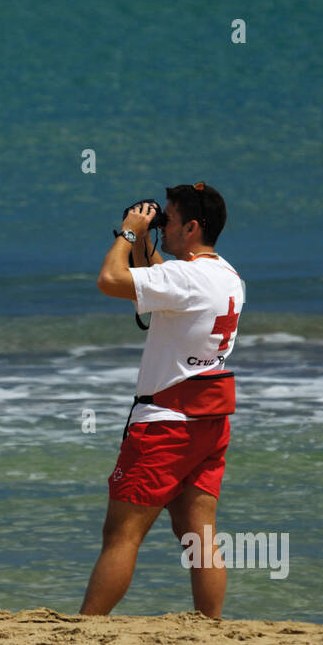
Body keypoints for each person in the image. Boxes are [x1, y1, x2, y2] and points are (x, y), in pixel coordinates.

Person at [80, 182, 244, 618]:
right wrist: (147, 246)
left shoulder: (184, 277)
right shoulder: (228, 277)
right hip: (208, 422)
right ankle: (212, 626)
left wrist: (129, 233)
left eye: (167, 220)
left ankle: (86, 628)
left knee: (121, 536)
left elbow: (109, 280)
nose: (161, 225)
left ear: (191, 227)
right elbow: (162, 283)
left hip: (164, 424)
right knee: (199, 534)